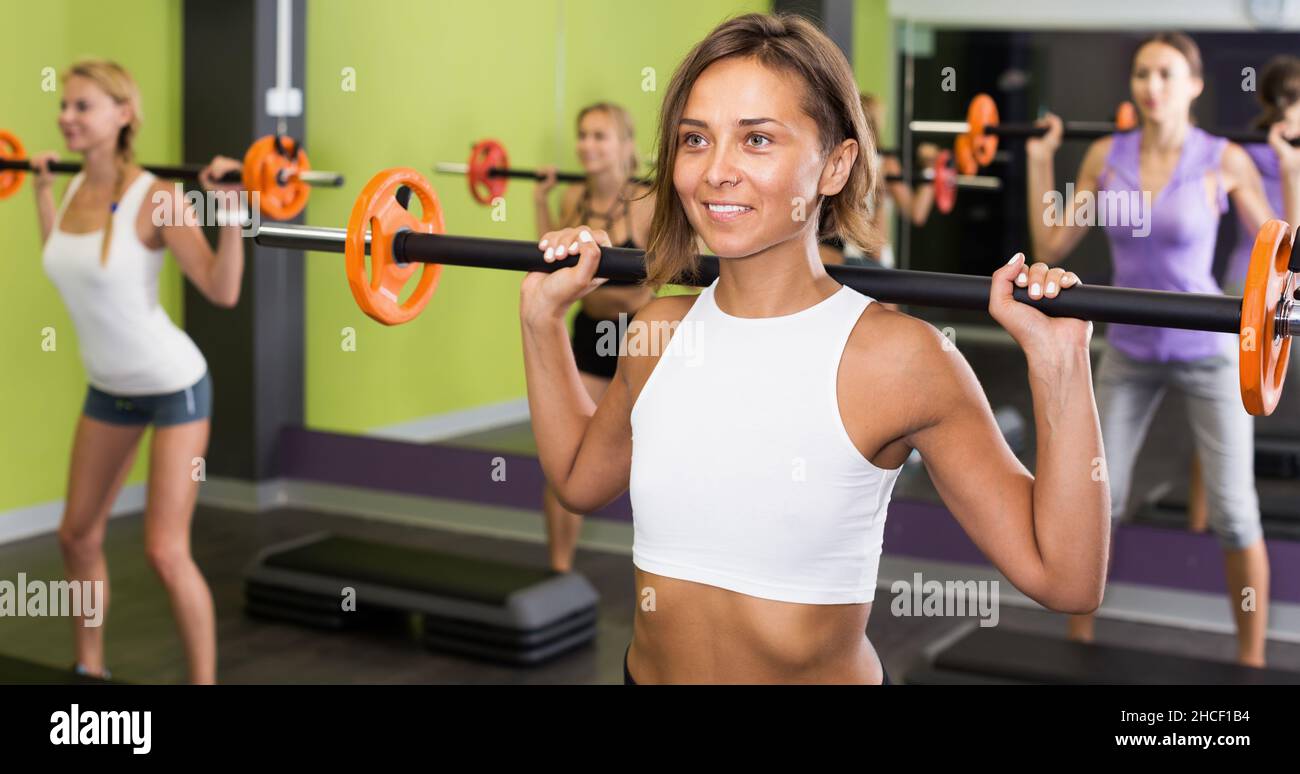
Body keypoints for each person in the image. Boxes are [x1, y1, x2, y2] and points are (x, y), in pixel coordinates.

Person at [522, 13, 1107, 684]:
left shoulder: (901, 358)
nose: (716, 172)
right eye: (695, 139)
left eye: (758, 139)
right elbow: (575, 480)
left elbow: (1065, 578)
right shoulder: (660, 333)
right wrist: (541, 322)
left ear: (836, 164)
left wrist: (1061, 364)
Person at [1026, 34, 1300, 667]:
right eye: (1143, 73)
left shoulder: (1221, 158)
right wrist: (1042, 157)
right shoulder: (1105, 154)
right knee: (1102, 500)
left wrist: (1286, 166)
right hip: (1129, 350)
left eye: (1167, 74)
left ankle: (1252, 660)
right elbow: (1053, 243)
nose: (1153, 85)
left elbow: (1280, 251)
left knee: (1235, 514)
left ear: (1195, 85)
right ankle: (1079, 644)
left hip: (1209, 351)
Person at [34, 60, 245, 684]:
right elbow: (60, 261)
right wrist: (42, 191)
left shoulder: (160, 198)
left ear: (123, 114)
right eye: (65, 105)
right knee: (75, 536)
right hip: (111, 389)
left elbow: (221, 288)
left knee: (164, 550)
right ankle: (90, 670)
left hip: (174, 386)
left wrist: (231, 212)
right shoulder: (71, 187)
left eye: (82, 107)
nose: (65, 116)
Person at [531, 104, 655, 572]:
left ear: (626, 145)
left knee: (647, 463)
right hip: (589, 332)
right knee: (568, 460)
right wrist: (542, 200)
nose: (587, 145)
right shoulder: (573, 198)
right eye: (583, 135)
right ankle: (558, 569)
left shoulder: (648, 200)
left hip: (638, 337)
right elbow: (552, 260)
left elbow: (655, 276)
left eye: (600, 136)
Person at [1188, 55, 1300, 535]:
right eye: (1291, 97)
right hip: (1251, 289)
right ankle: (1195, 527)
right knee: (1224, 410)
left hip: (1295, 292)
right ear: (1275, 102)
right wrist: (1288, 168)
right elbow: (1286, 244)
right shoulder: (1248, 153)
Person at [819, 93, 938, 268]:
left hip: (851, 256)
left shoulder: (841, 160)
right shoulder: (886, 165)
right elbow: (917, 212)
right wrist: (930, 168)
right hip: (863, 258)